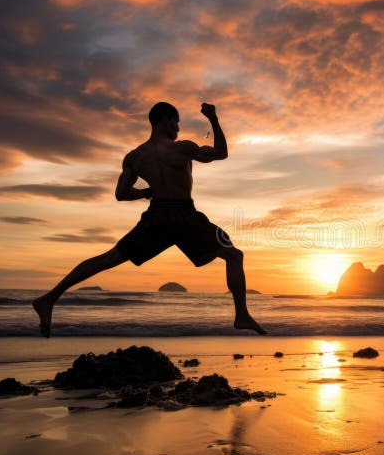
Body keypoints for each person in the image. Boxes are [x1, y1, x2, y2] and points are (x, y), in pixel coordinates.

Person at [32, 102, 266, 337]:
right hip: (185, 215)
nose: (178, 128)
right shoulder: (182, 148)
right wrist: (213, 119)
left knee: (109, 258)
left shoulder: (135, 157)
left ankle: (50, 298)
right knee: (234, 255)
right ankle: (242, 315)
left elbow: (121, 194)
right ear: (165, 120)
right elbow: (221, 153)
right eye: (176, 122)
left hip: (156, 216)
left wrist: (145, 193)